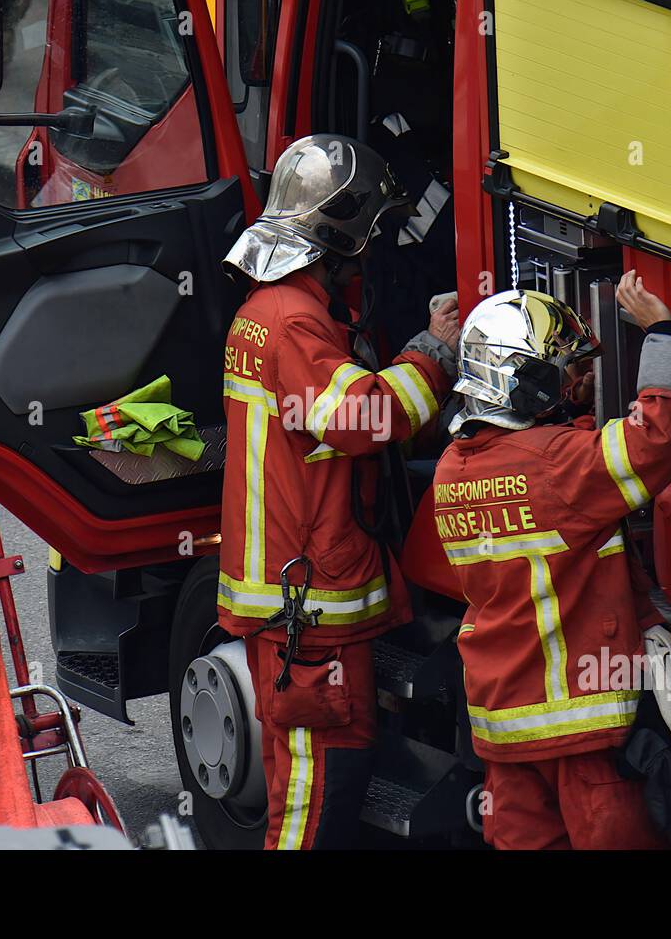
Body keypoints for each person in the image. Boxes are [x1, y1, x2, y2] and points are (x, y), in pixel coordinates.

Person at [219, 133, 459, 849]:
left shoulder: (275, 312)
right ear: (342, 235)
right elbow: (366, 419)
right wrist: (434, 352)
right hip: (307, 604)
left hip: (302, 596)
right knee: (315, 793)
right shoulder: (292, 321)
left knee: (338, 767)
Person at [431, 273, 671, 849]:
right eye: (568, 372)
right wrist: (660, 333)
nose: (582, 382)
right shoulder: (558, 466)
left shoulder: (451, 470)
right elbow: (659, 437)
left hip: (505, 737)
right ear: (526, 381)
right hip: (581, 740)